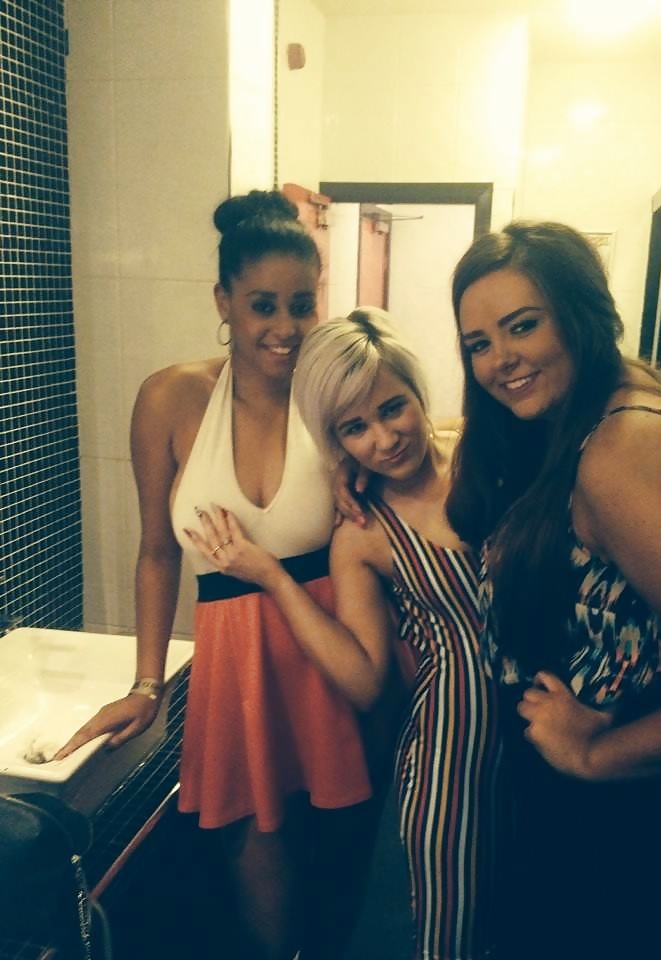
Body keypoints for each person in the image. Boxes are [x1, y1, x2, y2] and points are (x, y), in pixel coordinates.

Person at [55, 190, 378, 960]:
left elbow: (404, 472)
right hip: (236, 655)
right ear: (223, 301)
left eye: (302, 304)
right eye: (263, 305)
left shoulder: (336, 397)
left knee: (343, 844)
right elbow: (156, 551)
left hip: (333, 640)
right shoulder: (170, 397)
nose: (285, 327)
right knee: (253, 836)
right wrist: (147, 685)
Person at [186, 307, 501, 960]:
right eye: (353, 428)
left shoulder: (492, 459)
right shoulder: (363, 532)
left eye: (392, 408)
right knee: (448, 926)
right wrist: (270, 576)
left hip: (546, 727)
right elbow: (363, 682)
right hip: (451, 745)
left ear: (418, 392)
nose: (383, 440)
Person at [447, 220, 661, 960]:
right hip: (597, 813)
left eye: (522, 326)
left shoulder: (622, 455)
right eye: (478, 343)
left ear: (580, 311)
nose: (501, 360)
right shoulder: (599, 403)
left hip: (625, 828)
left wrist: (600, 753)